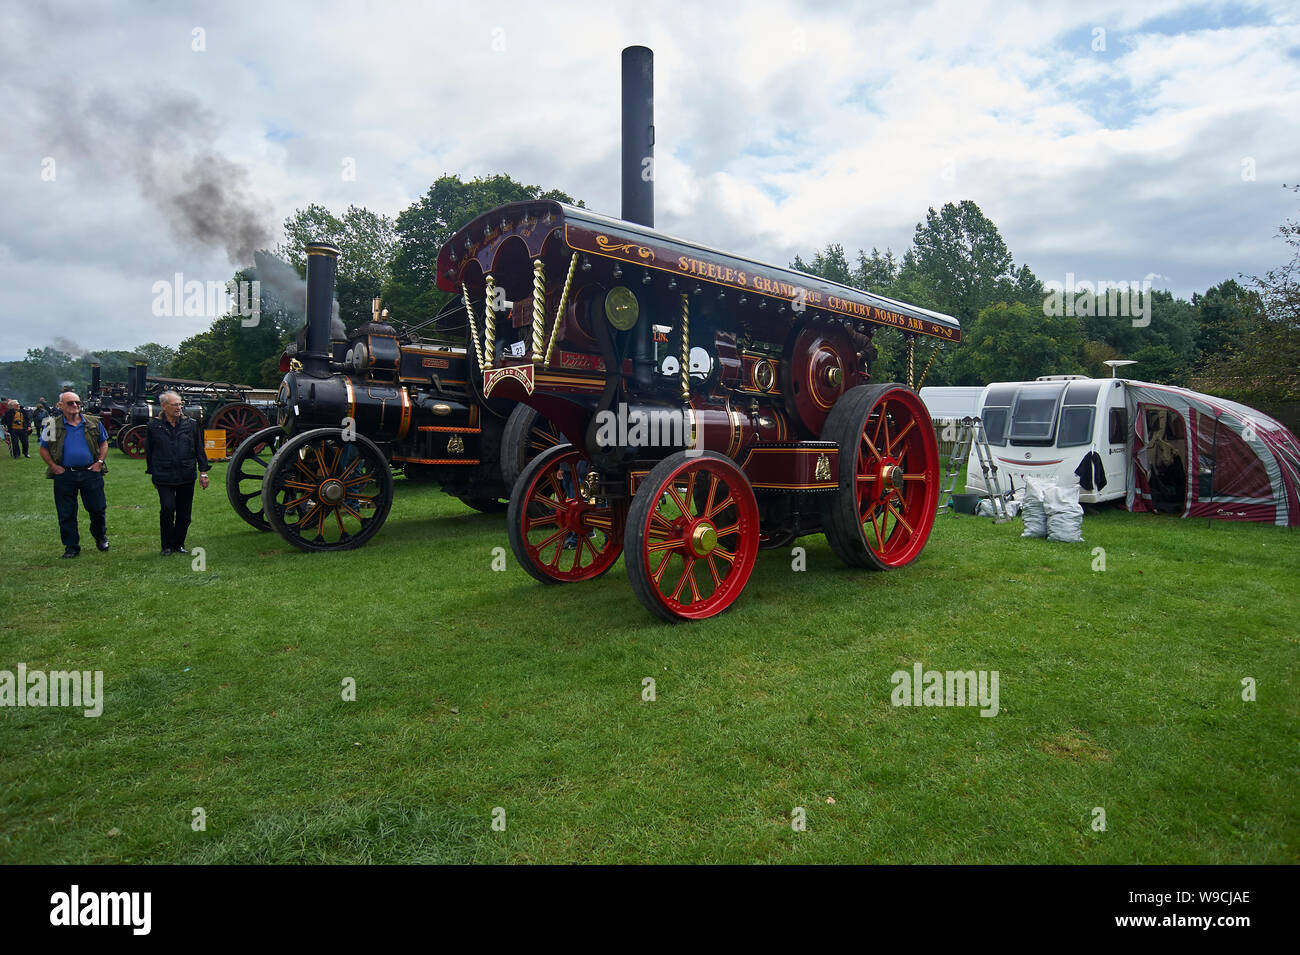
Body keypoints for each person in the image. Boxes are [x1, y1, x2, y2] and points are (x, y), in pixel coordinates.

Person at [38, 391, 110, 558]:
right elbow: (43, 448)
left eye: (77, 402)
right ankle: (71, 547)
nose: (75, 406)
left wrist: (99, 462)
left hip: (90, 473)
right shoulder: (51, 424)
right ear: (60, 405)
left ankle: (100, 537)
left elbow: (104, 443)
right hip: (65, 475)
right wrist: (53, 467)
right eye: (70, 403)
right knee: (66, 513)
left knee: (98, 509)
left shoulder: (93, 422)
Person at [145, 391, 209, 556]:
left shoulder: (191, 424)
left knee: (184, 514)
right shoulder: (154, 426)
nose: (179, 408)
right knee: (167, 508)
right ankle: (166, 546)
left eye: (180, 404)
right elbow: (149, 451)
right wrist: (153, 473)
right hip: (164, 475)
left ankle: (178, 544)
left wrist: (203, 472)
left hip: (186, 474)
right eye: (175, 405)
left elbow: (199, 448)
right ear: (164, 406)